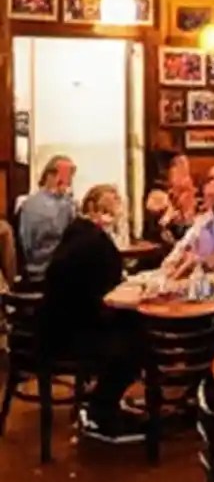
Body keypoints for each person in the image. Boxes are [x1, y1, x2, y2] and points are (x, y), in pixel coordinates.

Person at [40, 185, 138, 443]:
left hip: (55, 326)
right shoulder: (96, 242)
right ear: (99, 210)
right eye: (114, 206)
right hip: (74, 333)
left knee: (132, 328)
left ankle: (103, 402)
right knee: (139, 344)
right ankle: (101, 412)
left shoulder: (76, 233)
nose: (117, 211)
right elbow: (109, 293)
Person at [18, 155, 76, 282]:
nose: (69, 182)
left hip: (46, 268)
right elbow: (26, 243)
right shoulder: (33, 205)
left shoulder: (67, 203)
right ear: (50, 175)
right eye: (66, 177)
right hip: (48, 271)